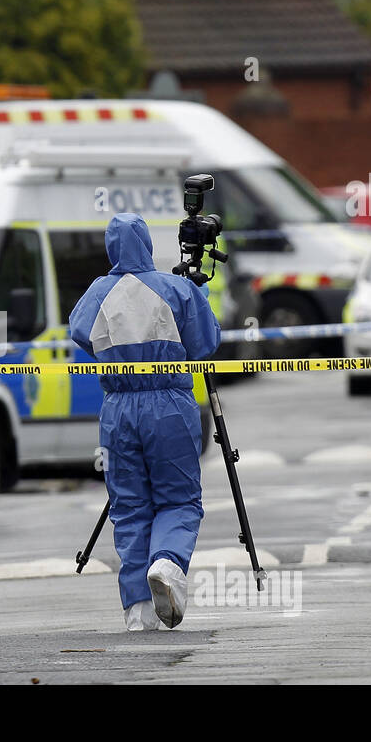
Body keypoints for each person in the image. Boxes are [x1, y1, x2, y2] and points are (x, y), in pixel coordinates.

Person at [69, 212, 221, 631]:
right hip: (169, 403)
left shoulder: (96, 293)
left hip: (118, 408)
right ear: (149, 245)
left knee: (130, 505)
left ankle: (137, 608)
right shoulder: (176, 289)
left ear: (110, 248)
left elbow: (80, 332)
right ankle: (168, 564)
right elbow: (206, 344)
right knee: (178, 499)